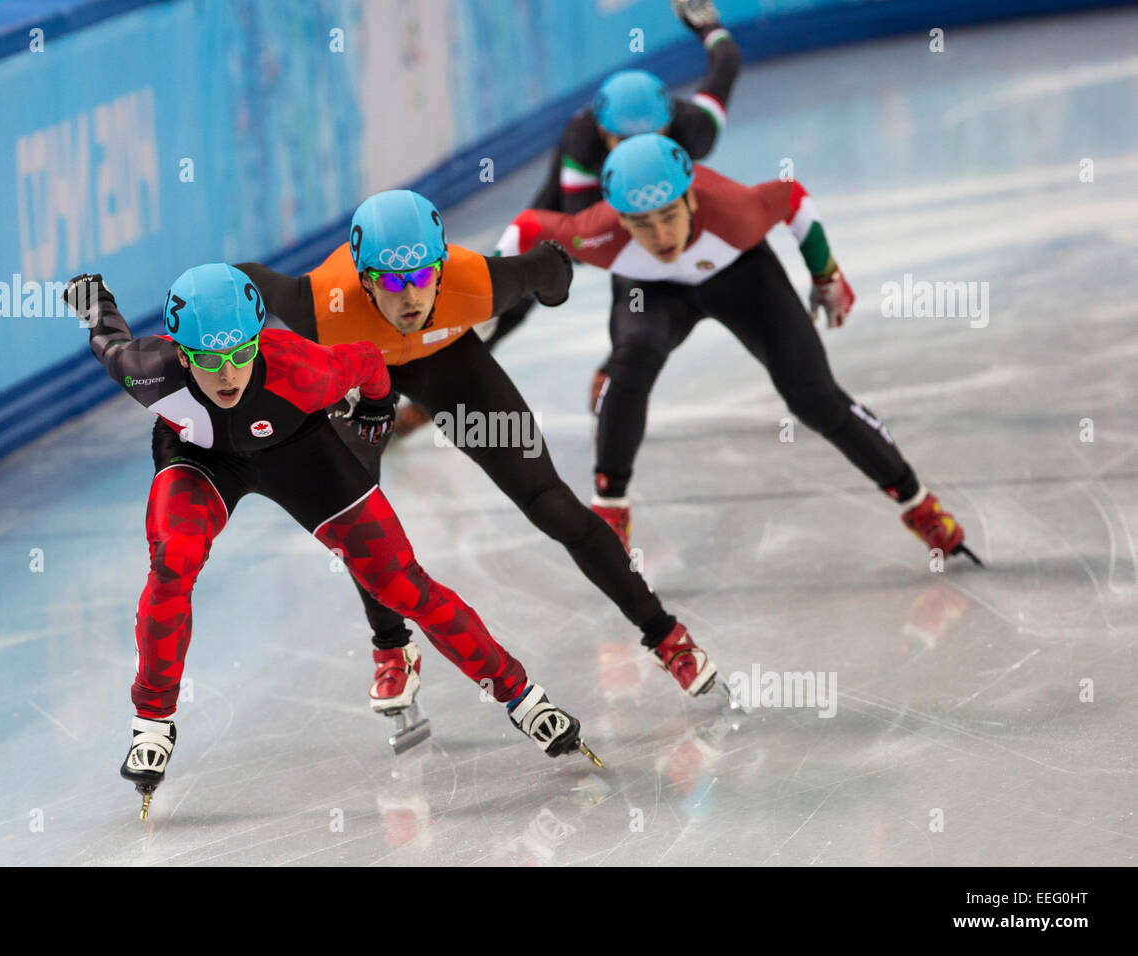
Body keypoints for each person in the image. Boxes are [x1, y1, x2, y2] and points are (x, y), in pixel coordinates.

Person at [61, 266, 597, 818]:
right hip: (200, 457)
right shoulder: (147, 371)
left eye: (240, 355)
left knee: (402, 586)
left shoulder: (300, 367)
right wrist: (93, 299)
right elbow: (109, 339)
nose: (228, 375)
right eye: (209, 359)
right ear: (180, 352)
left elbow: (368, 361)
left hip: (302, 452)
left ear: (255, 343)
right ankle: (152, 722)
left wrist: (375, 406)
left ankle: (523, 697)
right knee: (172, 563)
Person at [233, 188, 727, 722]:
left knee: (551, 502)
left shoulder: (481, 281)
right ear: (363, 279)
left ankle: (664, 633)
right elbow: (249, 281)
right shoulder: (318, 305)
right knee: (356, 518)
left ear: (442, 270)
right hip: (359, 372)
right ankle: (392, 646)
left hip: (449, 364)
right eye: (391, 281)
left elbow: (549, 267)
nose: (409, 297)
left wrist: (556, 279)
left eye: (422, 276)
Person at [494, 133, 982, 564]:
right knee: (629, 367)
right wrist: (489, 285)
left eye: (669, 215)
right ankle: (611, 509)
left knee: (813, 398)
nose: (662, 235)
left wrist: (826, 272)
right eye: (641, 223)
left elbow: (793, 197)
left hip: (740, 276)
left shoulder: (735, 211)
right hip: (651, 294)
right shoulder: (595, 231)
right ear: (619, 218)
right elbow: (528, 226)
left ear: (690, 201)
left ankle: (918, 503)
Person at [393, 0, 742, 434]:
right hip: (574, 212)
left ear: (670, 130)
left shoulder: (695, 128)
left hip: (638, 210)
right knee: (519, 287)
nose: (635, 155)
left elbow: (727, 58)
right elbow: (587, 238)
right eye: (620, 142)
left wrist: (708, 27)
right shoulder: (582, 138)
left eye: (649, 141)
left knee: (652, 277)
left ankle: (619, 362)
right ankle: (439, 382)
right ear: (602, 132)